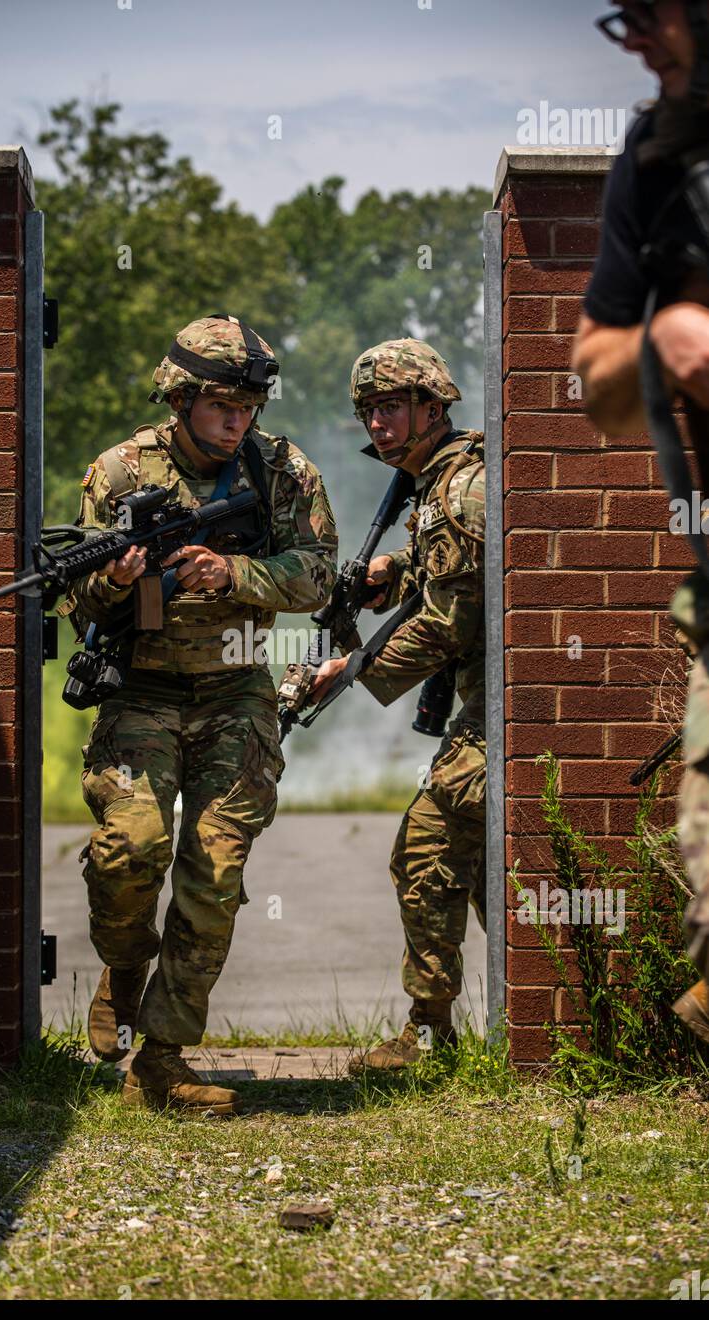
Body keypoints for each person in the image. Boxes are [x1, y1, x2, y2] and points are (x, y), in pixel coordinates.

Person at [59, 314, 338, 1111]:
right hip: (141, 690)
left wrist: (234, 575)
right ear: (179, 399)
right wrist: (115, 581)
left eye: (249, 407)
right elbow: (81, 595)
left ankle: (165, 1059)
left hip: (235, 693)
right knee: (128, 853)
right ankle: (121, 970)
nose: (237, 421)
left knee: (213, 877)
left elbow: (320, 578)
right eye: (221, 406)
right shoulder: (120, 473)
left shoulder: (284, 472)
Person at [573, 0, 709, 1043]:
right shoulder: (651, 162)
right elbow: (596, 384)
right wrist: (661, 336)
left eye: (659, 13)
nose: (636, 41)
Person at [310, 340, 486, 1066]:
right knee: (450, 862)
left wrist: (354, 669)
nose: (377, 424)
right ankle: (442, 1029)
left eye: (391, 407)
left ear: (433, 406)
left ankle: (433, 1035)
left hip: (502, 717)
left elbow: (454, 619)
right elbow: (458, 570)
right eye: (369, 411)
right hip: (492, 711)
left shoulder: (457, 489)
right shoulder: (440, 486)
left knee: (430, 852)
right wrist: (401, 566)